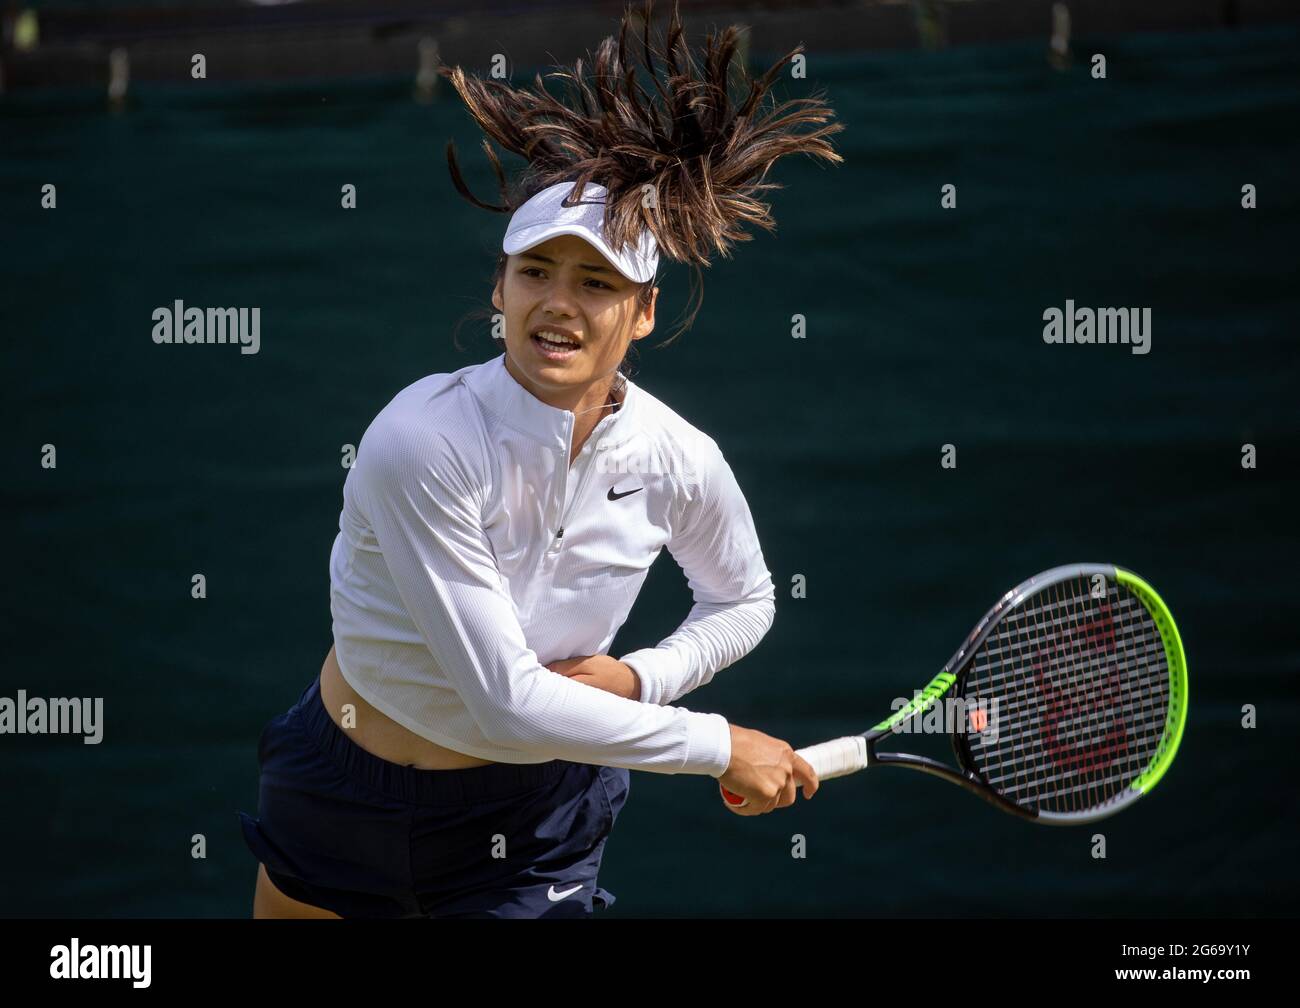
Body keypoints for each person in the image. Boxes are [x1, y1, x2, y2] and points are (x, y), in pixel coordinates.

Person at [237, 0, 844, 919]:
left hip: (531, 827)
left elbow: (745, 599)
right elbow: (503, 703)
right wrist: (719, 744)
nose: (557, 304)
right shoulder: (422, 440)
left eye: (594, 282)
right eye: (536, 273)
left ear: (642, 313)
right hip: (344, 789)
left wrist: (646, 676)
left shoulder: (681, 457)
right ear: (500, 285)